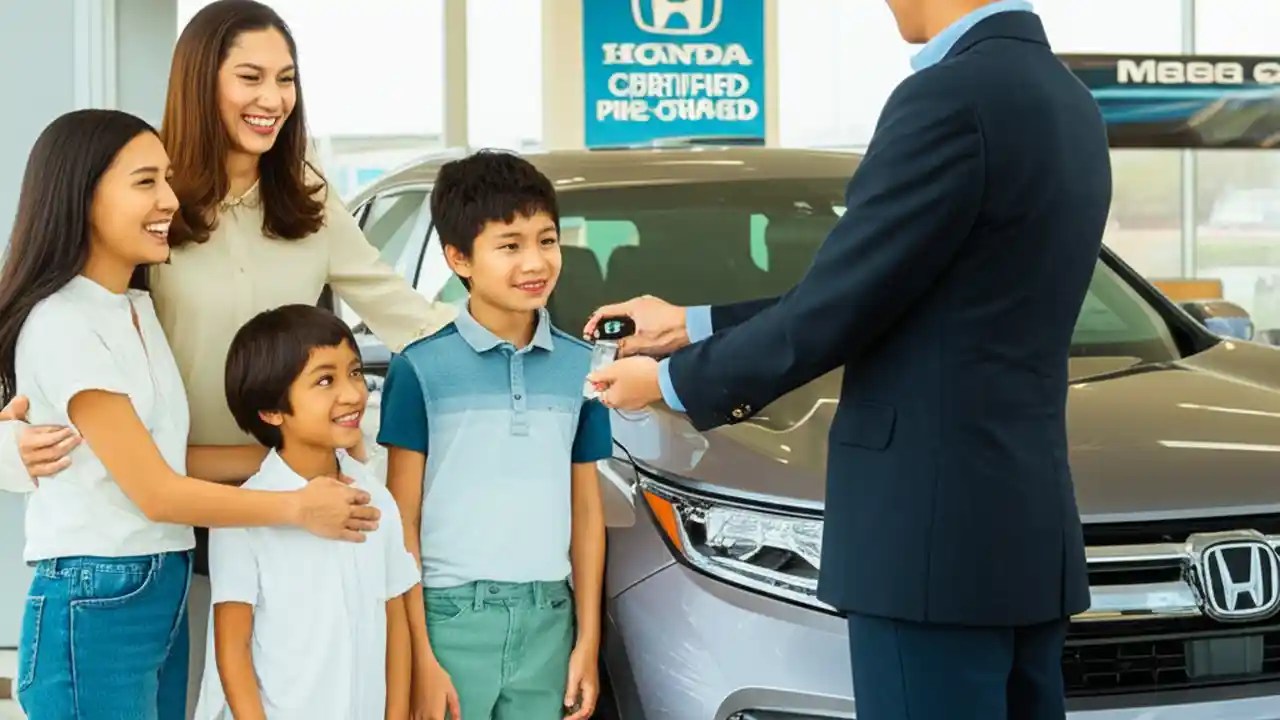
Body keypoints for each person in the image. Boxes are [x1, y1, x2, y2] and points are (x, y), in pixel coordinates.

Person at [584, 2, 1112, 719]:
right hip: (1020, 532)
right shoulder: (1066, 99)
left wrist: (671, 381)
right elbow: (899, 291)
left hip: (926, 541)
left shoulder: (948, 97)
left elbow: (841, 303)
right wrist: (691, 323)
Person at [0, 0, 456, 711]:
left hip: (262, 499)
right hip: (165, 520)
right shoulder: (148, 205)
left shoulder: (302, 199)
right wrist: (10, 446)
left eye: (286, 78)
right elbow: (49, 353)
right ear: (200, 81)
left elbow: (410, 317)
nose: (272, 99)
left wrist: (546, 359)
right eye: (249, 76)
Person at [1, 109, 379, 720]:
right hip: (99, 591)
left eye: (167, 180)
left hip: (156, 583)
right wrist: (297, 506)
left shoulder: (134, 307)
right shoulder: (62, 322)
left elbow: (164, 459)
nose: (170, 200)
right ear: (83, 192)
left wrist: (304, 461)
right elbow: (156, 492)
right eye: (145, 181)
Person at [378, 150, 611, 720]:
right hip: (449, 620)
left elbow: (586, 512)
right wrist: (419, 656)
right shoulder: (419, 369)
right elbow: (401, 522)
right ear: (459, 258)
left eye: (547, 240)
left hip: (549, 621)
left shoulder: (585, 369)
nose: (535, 261)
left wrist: (587, 642)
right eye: (509, 245)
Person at [191, 304, 420, 720]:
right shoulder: (246, 515)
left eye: (354, 372)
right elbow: (232, 649)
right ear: (271, 411)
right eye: (325, 380)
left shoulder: (375, 497)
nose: (352, 393)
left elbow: (395, 618)